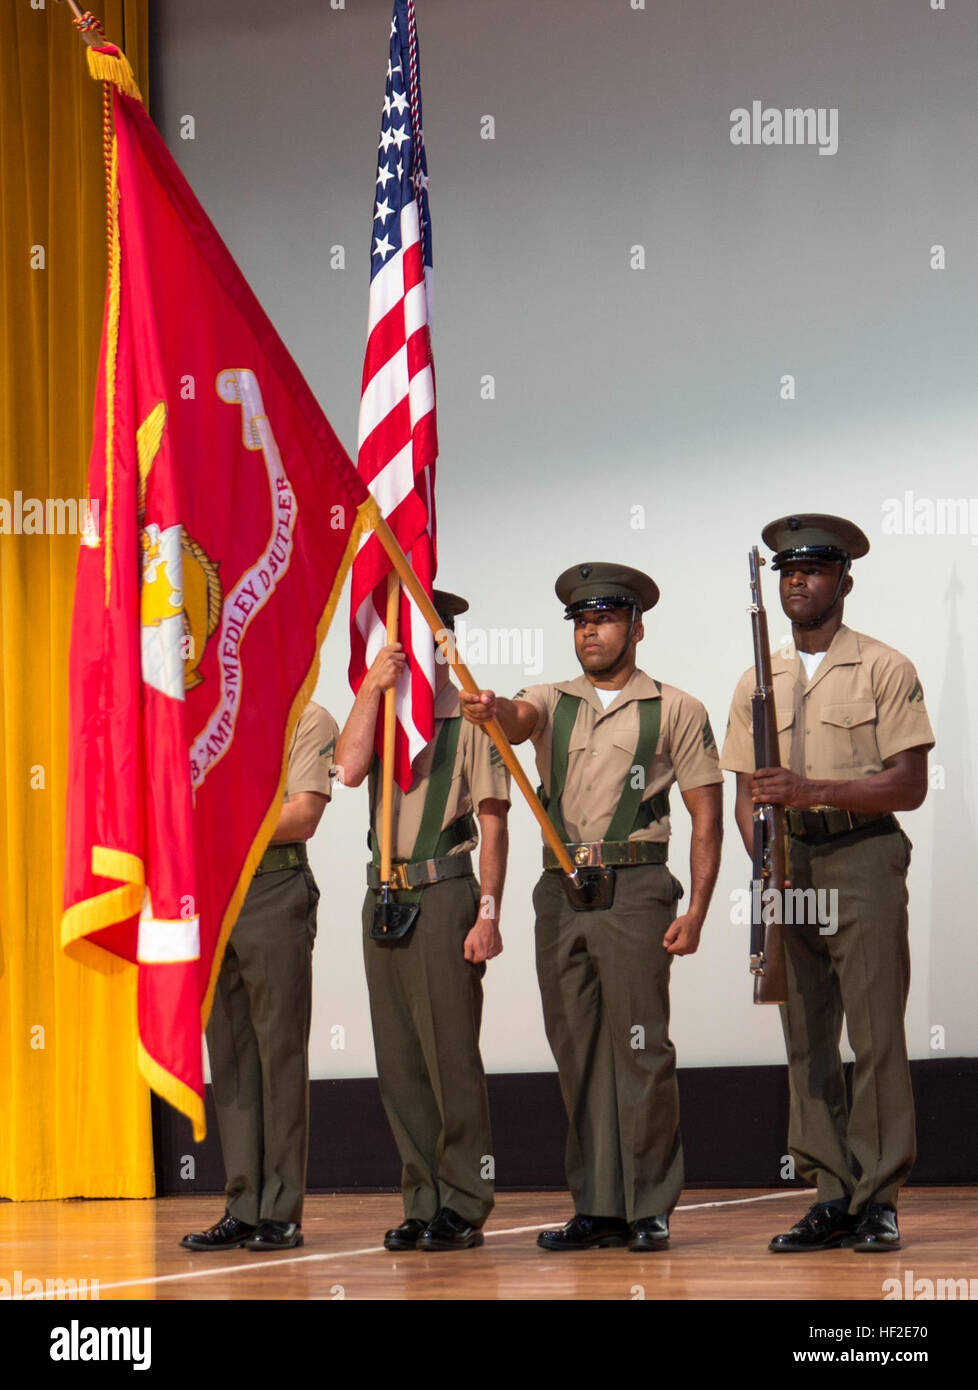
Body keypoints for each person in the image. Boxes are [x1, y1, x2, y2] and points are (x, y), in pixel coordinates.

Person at [460, 563, 723, 1252]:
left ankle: (650, 1205)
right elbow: (517, 720)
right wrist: (494, 710)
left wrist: (696, 909)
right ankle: (599, 1205)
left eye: (604, 619)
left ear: (637, 628)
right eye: (580, 621)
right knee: (576, 1049)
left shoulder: (677, 708)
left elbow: (707, 818)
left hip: (636, 887)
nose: (591, 632)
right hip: (562, 891)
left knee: (642, 1049)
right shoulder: (551, 699)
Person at [721, 515, 934, 1253]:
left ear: (845, 581)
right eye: (786, 572)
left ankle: (878, 1198)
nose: (797, 583)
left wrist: (811, 789)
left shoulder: (884, 666)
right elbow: (747, 790)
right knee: (805, 1035)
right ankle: (829, 1192)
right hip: (791, 864)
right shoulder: (758, 678)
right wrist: (764, 868)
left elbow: (909, 786)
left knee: (875, 1035)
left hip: (862, 857)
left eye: (812, 571)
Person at [334, 591, 510, 1252]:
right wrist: (371, 690)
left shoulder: (469, 724)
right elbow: (347, 771)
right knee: (400, 1060)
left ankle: (464, 1200)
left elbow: (493, 828)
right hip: (386, 896)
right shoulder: (384, 721)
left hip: (443, 895)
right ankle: (422, 1196)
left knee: (449, 1055)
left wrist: (487, 914)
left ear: (446, 645)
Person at [181, 701, 337, 1253]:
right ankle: (242, 1206)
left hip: (272, 889)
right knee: (230, 1057)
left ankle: (280, 1211)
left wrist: (216, 820)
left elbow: (302, 816)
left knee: (278, 1054)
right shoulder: (204, 719)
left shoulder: (307, 718)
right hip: (212, 891)